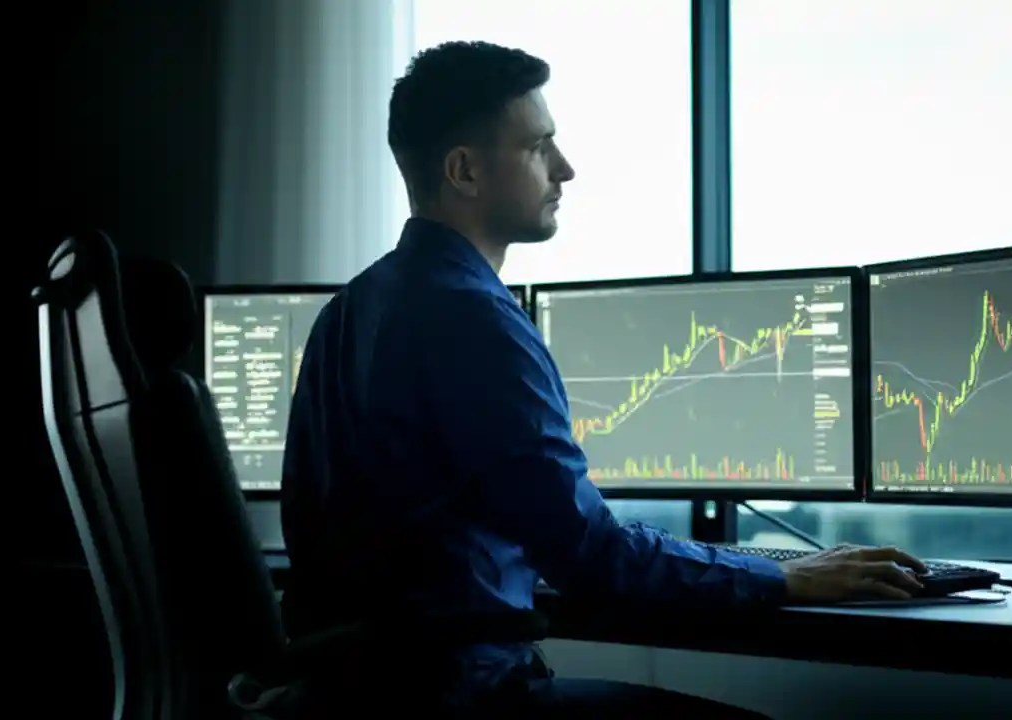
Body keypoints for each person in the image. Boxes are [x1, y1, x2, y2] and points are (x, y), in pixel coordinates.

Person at [280, 40, 927, 717]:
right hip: (464, 696)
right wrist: (780, 577)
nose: (565, 168)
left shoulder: (348, 310)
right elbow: (590, 555)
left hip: (353, 695)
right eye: (538, 147)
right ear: (464, 170)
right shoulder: (474, 318)